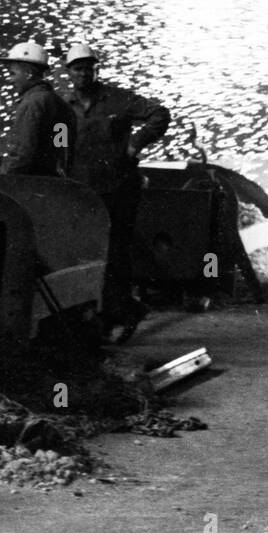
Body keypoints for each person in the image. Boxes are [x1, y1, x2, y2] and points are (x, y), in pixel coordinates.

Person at [57, 43, 170, 340]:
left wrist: (136, 144)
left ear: (97, 70)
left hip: (118, 188)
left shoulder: (118, 99)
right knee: (89, 254)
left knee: (116, 252)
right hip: (82, 191)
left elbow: (160, 113)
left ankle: (121, 314)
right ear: (68, 72)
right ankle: (108, 313)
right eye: (77, 68)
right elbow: (58, 143)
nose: (83, 74)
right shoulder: (63, 105)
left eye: (88, 68)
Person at [0, 40, 76, 177]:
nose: (10, 80)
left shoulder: (32, 103)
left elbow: (22, 152)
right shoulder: (62, 105)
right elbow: (61, 148)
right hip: (54, 183)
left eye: (13, 74)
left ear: (29, 73)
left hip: (29, 184)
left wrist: (5, 179)